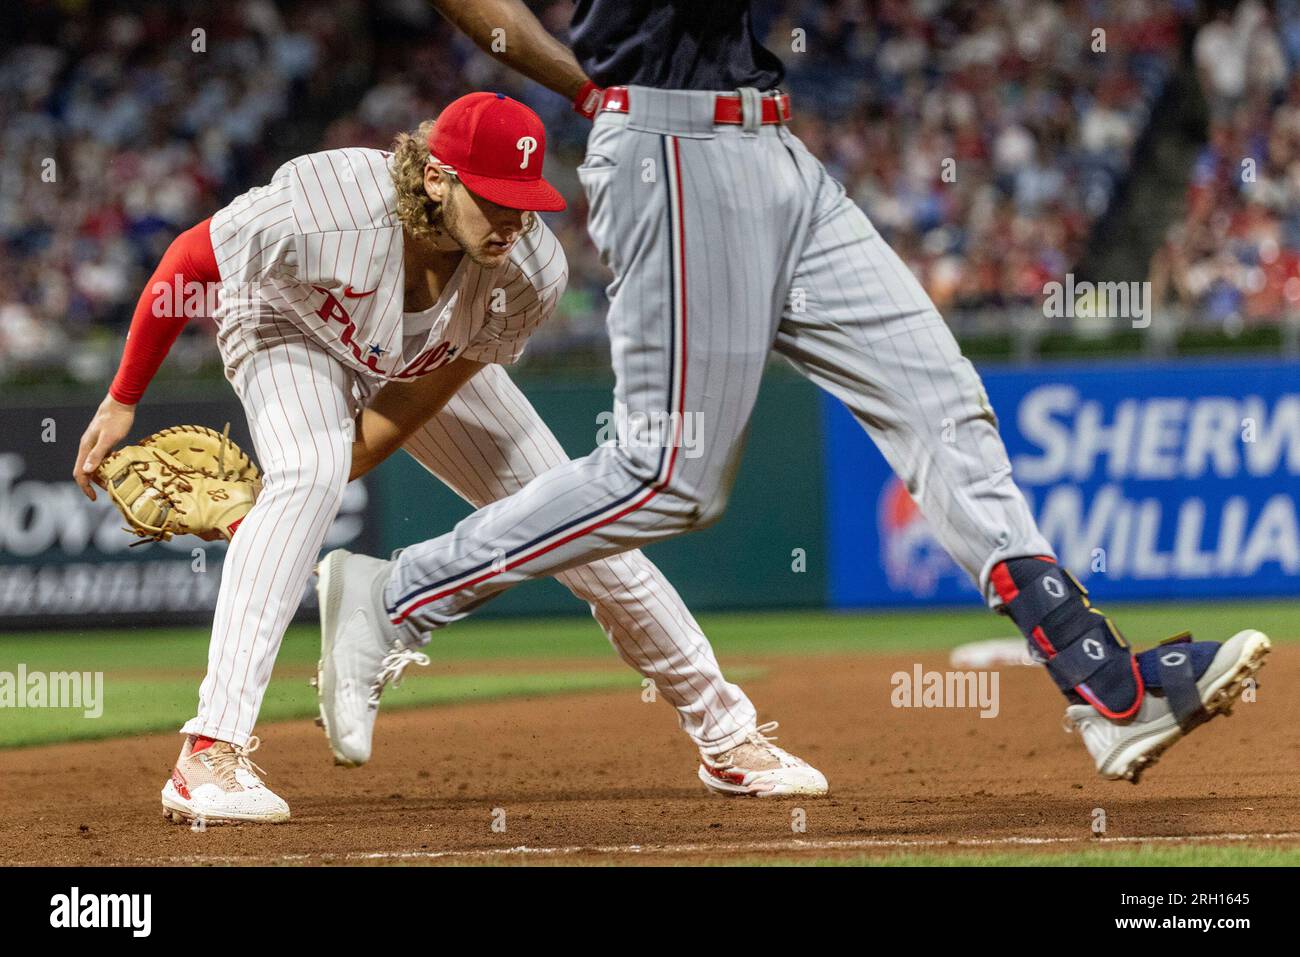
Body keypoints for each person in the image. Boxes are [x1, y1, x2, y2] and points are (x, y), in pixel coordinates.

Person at [317, 0, 1271, 785]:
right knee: (667, 473)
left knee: (944, 403)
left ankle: (1099, 680)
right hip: (672, 148)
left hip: (770, 144)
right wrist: (587, 85)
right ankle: (396, 597)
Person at [74, 92, 826, 825]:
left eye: (526, 197)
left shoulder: (528, 273)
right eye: (495, 197)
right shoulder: (322, 204)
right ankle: (209, 750)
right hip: (285, 320)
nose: (513, 217)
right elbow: (186, 260)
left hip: (416, 359)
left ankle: (729, 736)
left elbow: (399, 412)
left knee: (584, 517)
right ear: (436, 178)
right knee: (310, 472)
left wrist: (258, 507)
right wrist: (123, 399)